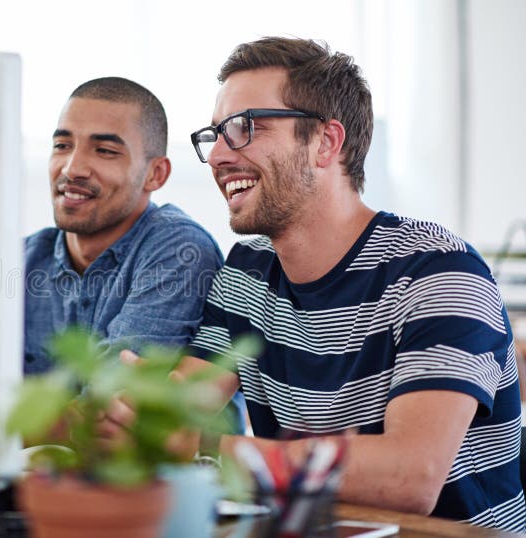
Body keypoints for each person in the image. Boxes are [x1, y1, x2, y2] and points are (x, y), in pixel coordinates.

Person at [103, 38, 524, 530]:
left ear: (325, 142)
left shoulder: (440, 272)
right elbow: (183, 405)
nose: (216, 155)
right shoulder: (249, 270)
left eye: (244, 128)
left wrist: (207, 447)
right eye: (215, 134)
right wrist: (136, 407)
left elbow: (410, 478)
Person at [24, 77, 245, 432]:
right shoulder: (25, 257)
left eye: (105, 151)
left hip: (173, 484)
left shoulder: (180, 250)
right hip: (46, 482)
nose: (71, 168)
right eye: (62, 145)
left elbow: (108, 418)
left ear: (155, 174)